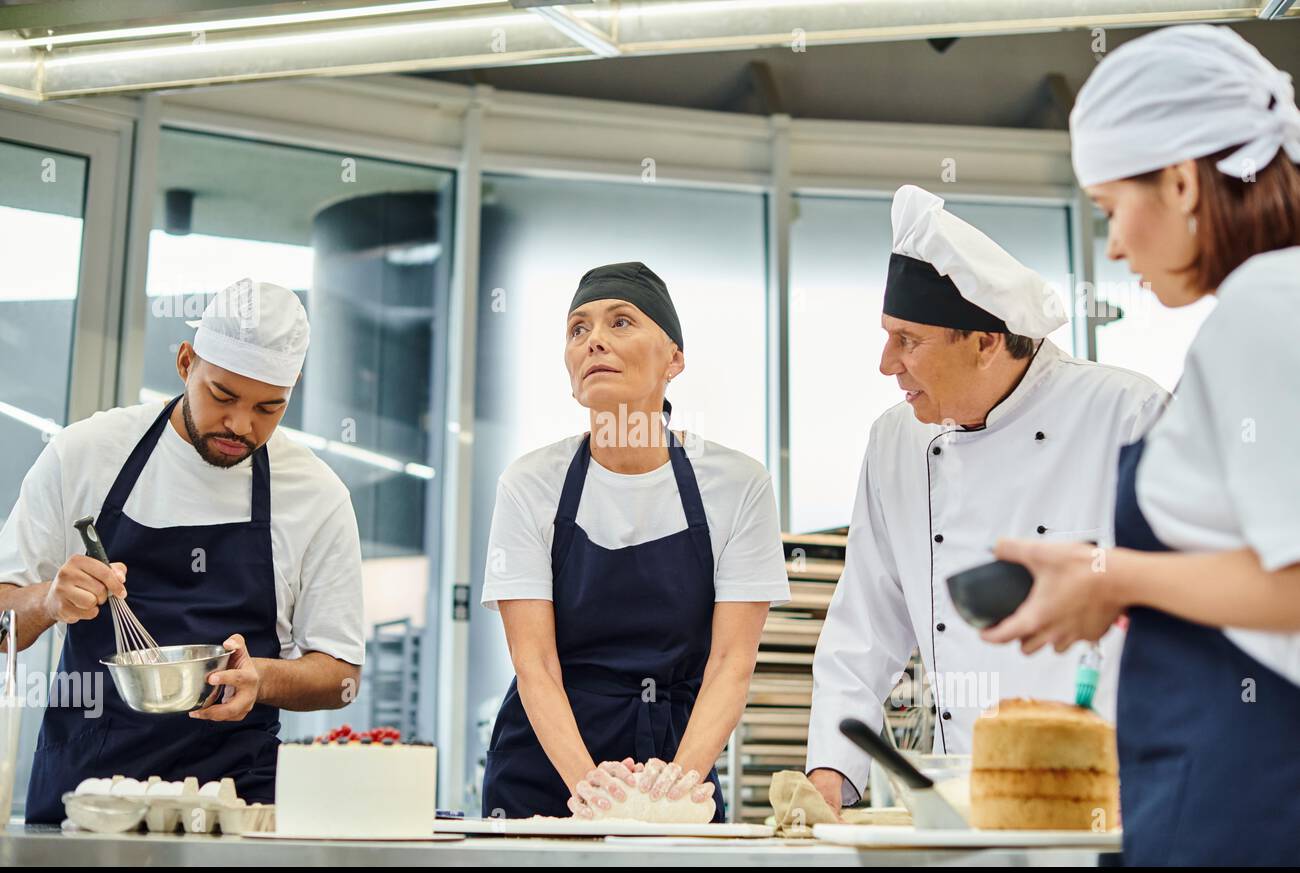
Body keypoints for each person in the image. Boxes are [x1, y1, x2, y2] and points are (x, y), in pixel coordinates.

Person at [983, 25, 1300, 865]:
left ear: (1184, 182)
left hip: (1245, 805)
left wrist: (1107, 576)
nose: (1116, 245)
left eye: (1111, 208)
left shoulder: (1268, 304)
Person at [805, 185, 1168, 815]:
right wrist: (831, 773)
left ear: (985, 341)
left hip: (1110, 791)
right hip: (966, 797)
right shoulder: (895, 441)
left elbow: (1185, 598)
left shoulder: (1126, 413)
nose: (885, 363)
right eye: (887, 336)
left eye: (908, 340)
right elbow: (864, 620)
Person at [0, 279, 365, 823]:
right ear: (186, 361)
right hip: (87, 797)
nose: (241, 426)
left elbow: (340, 677)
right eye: (222, 396)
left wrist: (260, 677)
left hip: (236, 806)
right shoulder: (84, 454)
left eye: (269, 407)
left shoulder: (317, 496)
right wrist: (47, 604)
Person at [479, 262, 790, 820]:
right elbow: (535, 664)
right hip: (543, 768)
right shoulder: (529, 483)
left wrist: (675, 785)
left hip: (675, 763)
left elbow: (729, 663)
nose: (594, 339)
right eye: (578, 329)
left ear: (674, 358)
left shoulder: (738, 484)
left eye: (621, 322)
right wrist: (594, 790)